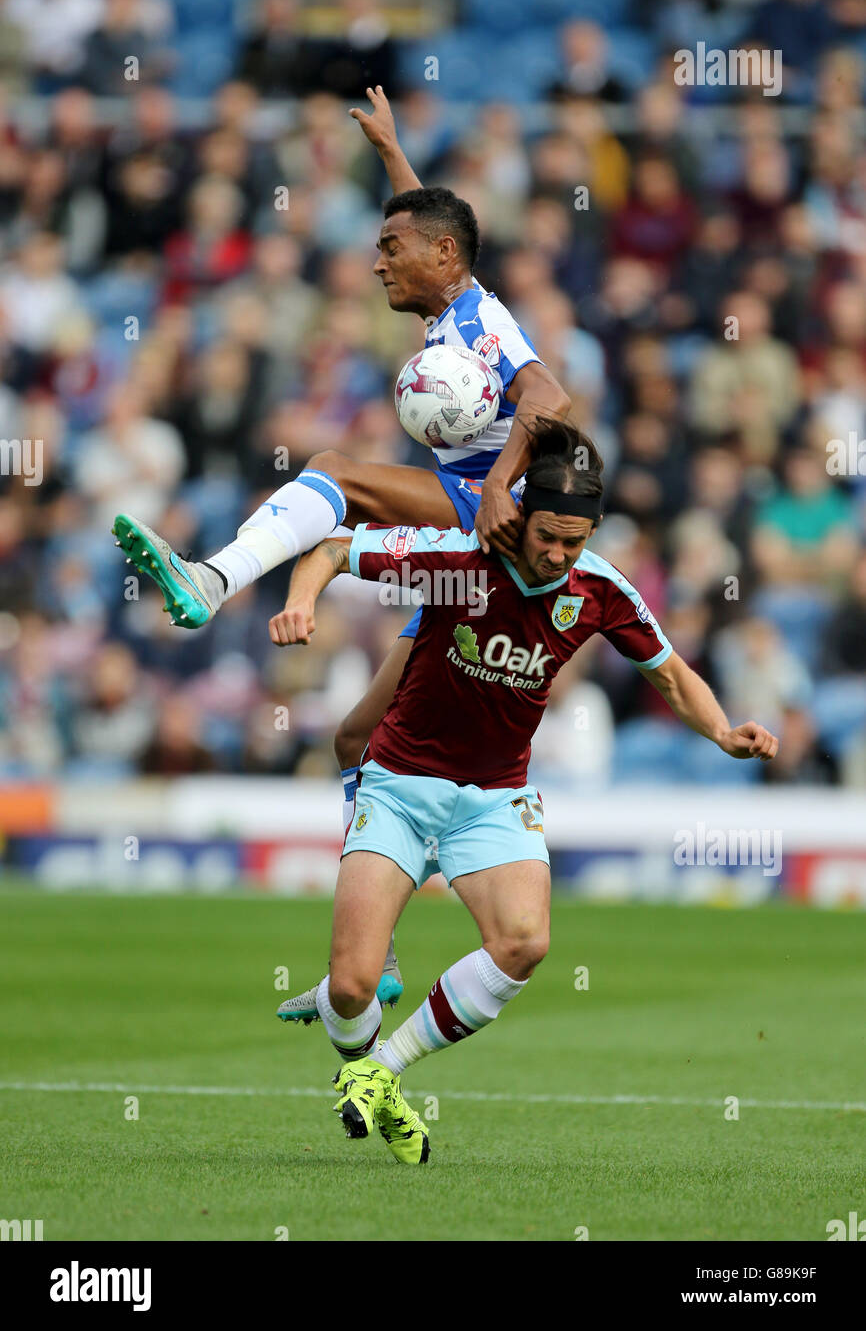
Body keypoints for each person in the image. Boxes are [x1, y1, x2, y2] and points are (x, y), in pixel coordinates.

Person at [112, 88, 571, 1009]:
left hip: (502, 527)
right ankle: (383, 955)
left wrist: (490, 485)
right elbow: (432, 225)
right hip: (466, 559)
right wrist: (392, 153)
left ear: (443, 259)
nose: (374, 266)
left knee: (335, 469)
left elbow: (551, 399)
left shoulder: (481, 324)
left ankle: (210, 580)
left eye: (388, 251)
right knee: (356, 735)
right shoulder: (456, 295)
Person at [273, 420, 779, 1164]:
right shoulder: (460, 560)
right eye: (547, 537)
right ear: (520, 515)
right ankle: (355, 1054)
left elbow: (670, 672)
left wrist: (723, 731)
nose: (558, 554)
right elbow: (336, 547)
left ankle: (383, 1071)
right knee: (352, 988)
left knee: (526, 941)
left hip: (495, 794)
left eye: (575, 542)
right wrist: (301, 602)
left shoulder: (599, 589)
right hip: (403, 784)